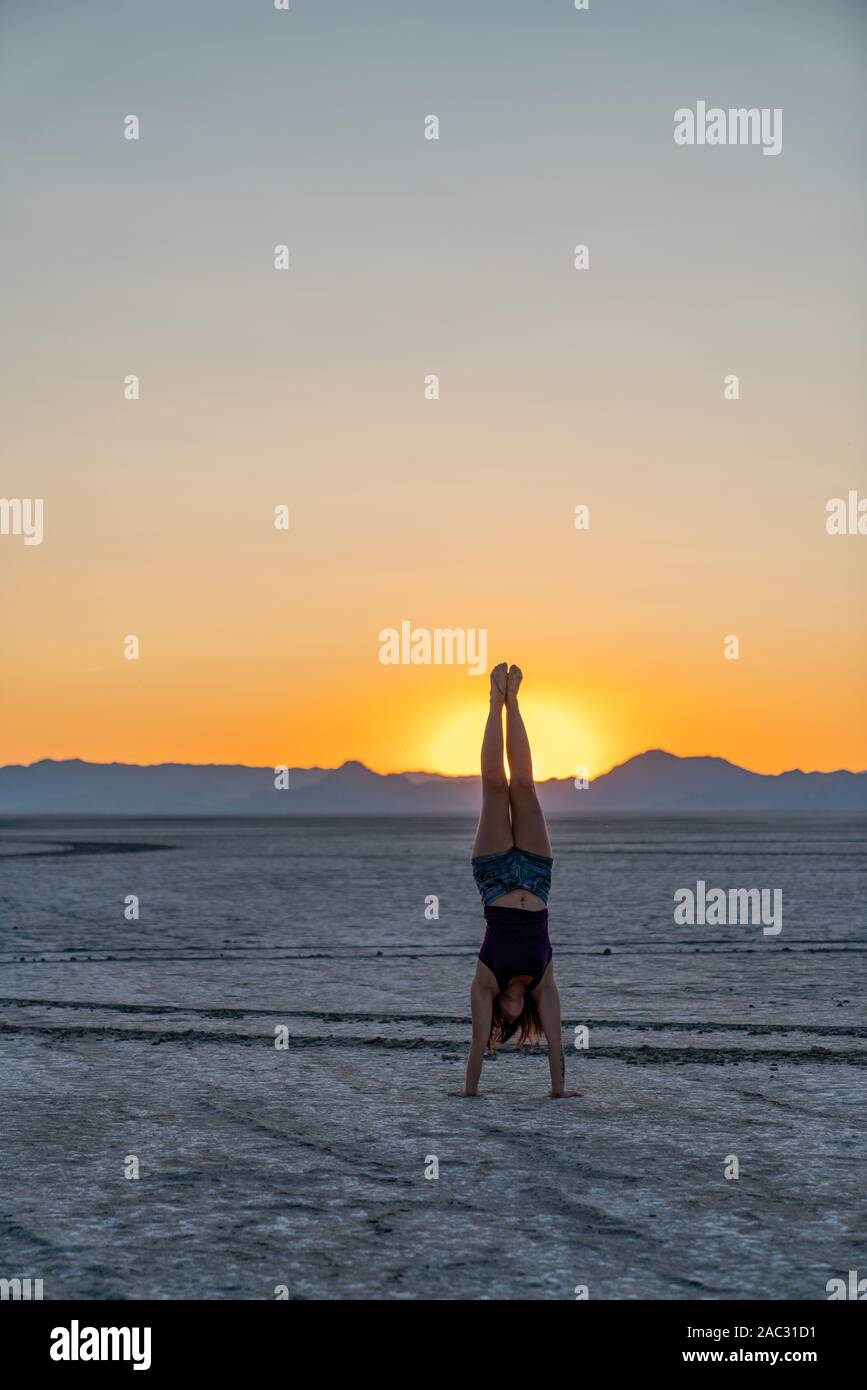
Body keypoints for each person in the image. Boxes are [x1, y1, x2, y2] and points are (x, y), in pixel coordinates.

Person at [450, 663, 580, 1098]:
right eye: (508, 1019)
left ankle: (495, 700)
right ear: (520, 1012)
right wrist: (559, 1091)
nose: (504, 1016)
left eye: (498, 1020)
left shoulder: (486, 981)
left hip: (494, 878)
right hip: (538, 879)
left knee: (493, 786)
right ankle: (515, 700)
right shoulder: (544, 985)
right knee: (524, 786)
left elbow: (475, 1041)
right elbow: (558, 1044)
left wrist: (469, 1091)